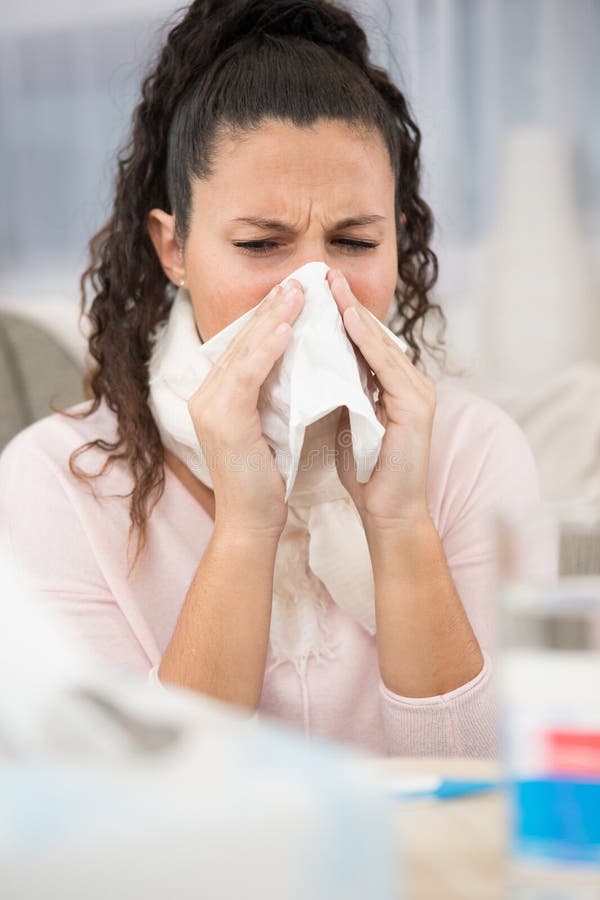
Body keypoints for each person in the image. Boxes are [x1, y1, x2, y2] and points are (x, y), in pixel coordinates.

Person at [0, 0, 539, 757]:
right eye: (261, 244)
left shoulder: (472, 451)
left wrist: (401, 524)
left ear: (398, 243)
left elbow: (486, 784)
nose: (314, 288)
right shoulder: (58, 482)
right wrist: (246, 527)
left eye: (354, 241)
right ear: (175, 248)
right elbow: (135, 804)